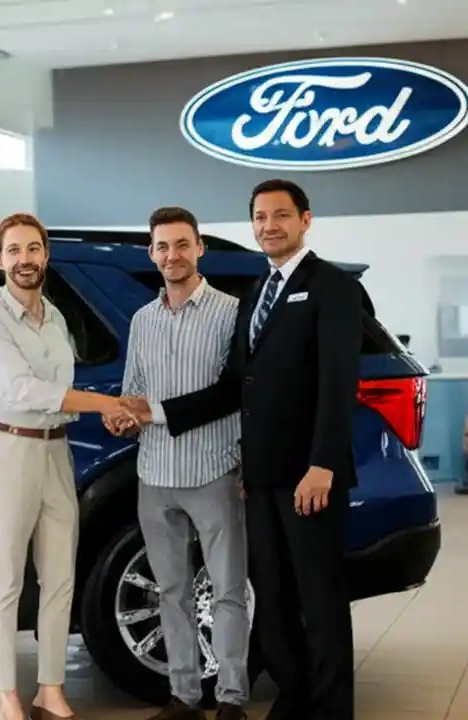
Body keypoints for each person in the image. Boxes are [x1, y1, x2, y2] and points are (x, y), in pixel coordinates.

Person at [122, 180, 362, 720]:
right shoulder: (259, 293)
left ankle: (330, 708)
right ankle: (294, 697)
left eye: (281, 215)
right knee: (273, 598)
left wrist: (322, 463)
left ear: (306, 219)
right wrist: (156, 413)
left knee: (319, 600)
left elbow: (338, 382)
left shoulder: (332, 287)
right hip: (262, 476)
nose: (269, 225)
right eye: (259, 216)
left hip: (309, 476)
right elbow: (235, 387)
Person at [0, 212, 129, 720]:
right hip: (11, 451)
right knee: (7, 581)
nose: (25, 260)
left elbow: (58, 399)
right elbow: (20, 389)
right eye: (14, 251)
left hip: (55, 452)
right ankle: (7, 697)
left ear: (46, 255)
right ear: (0, 260)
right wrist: (102, 403)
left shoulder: (56, 317)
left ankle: (50, 688)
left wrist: (101, 413)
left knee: (60, 577)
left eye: (33, 249)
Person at [108, 207, 249, 720]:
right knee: (172, 591)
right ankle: (184, 697)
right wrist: (123, 417)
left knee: (229, 591)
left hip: (213, 470)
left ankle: (232, 697)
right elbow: (133, 392)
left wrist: (154, 413)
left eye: (182, 244)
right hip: (155, 476)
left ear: (199, 248)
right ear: (152, 254)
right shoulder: (142, 321)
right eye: (163, 246)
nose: (173, 255)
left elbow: (234, 393)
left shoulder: (231, 313)